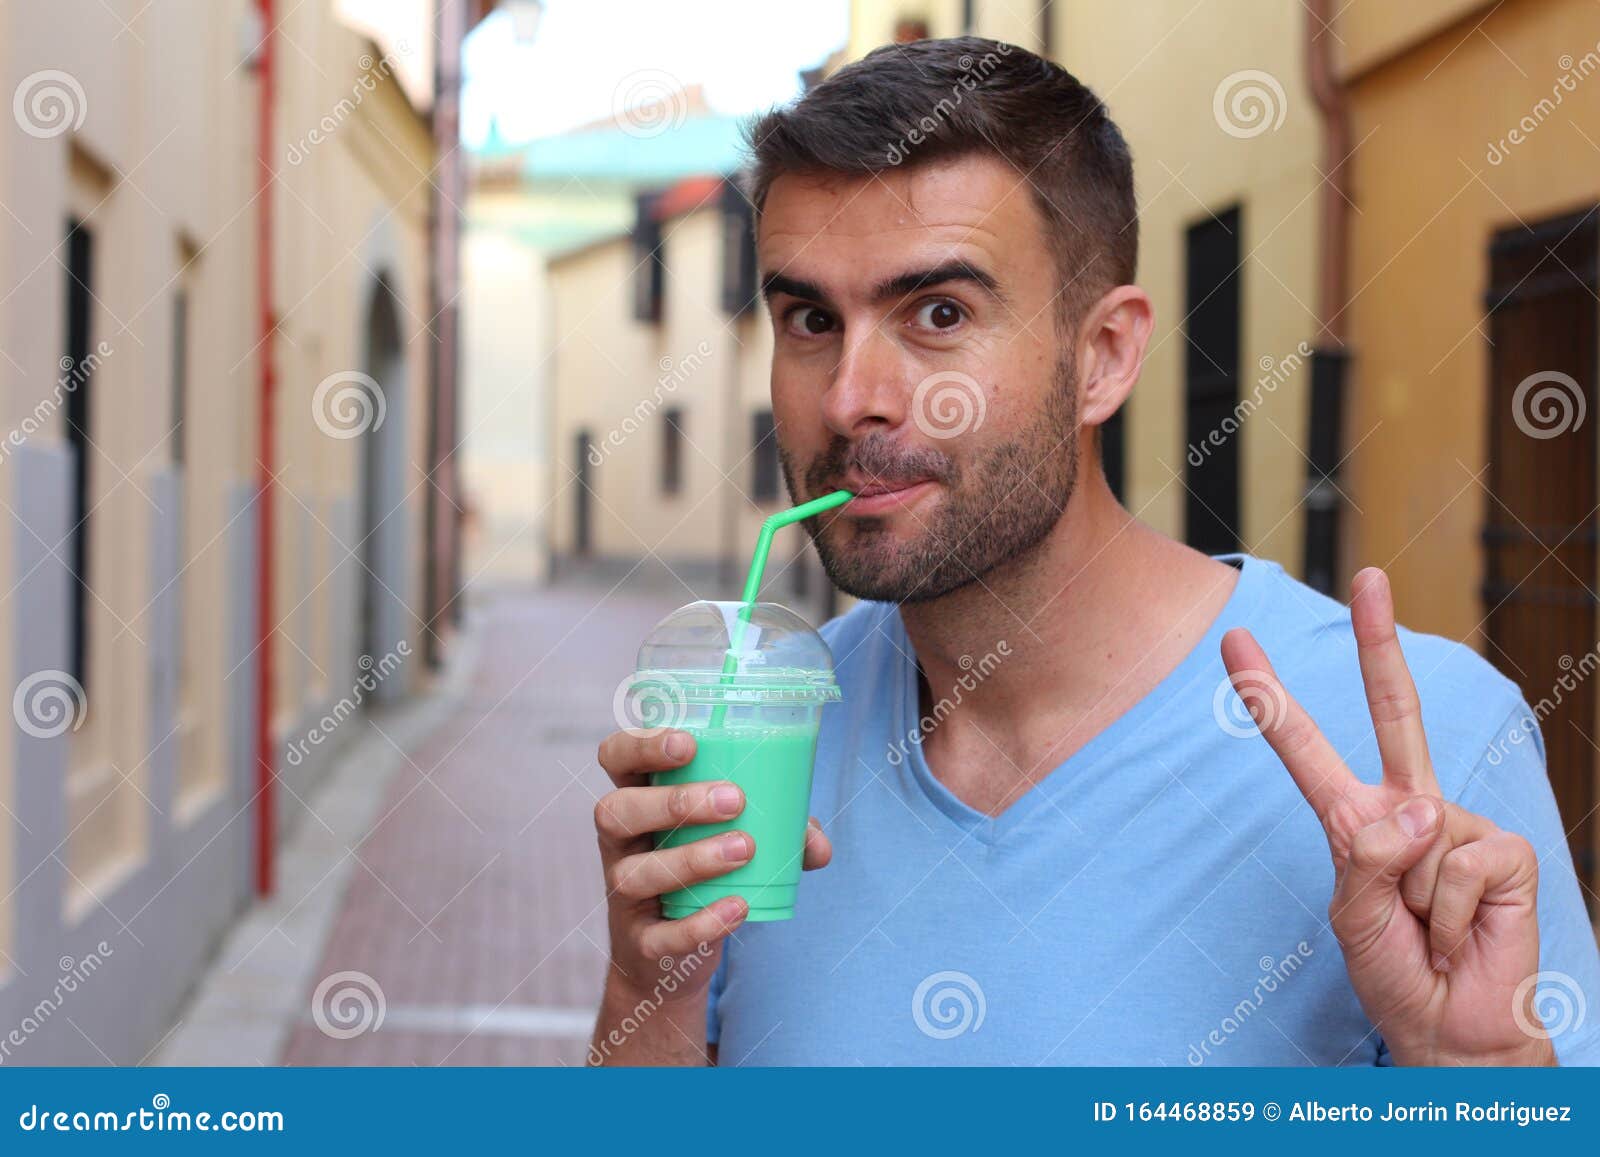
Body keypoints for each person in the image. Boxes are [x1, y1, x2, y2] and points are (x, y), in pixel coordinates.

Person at [589, 36, 1600, 1066]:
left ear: (1103, 356)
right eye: (809, 318)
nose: (851, 397)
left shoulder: (1431, 750)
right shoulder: (769, 728)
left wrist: (1482, 1082)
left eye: (939, 313)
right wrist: (648, 992)